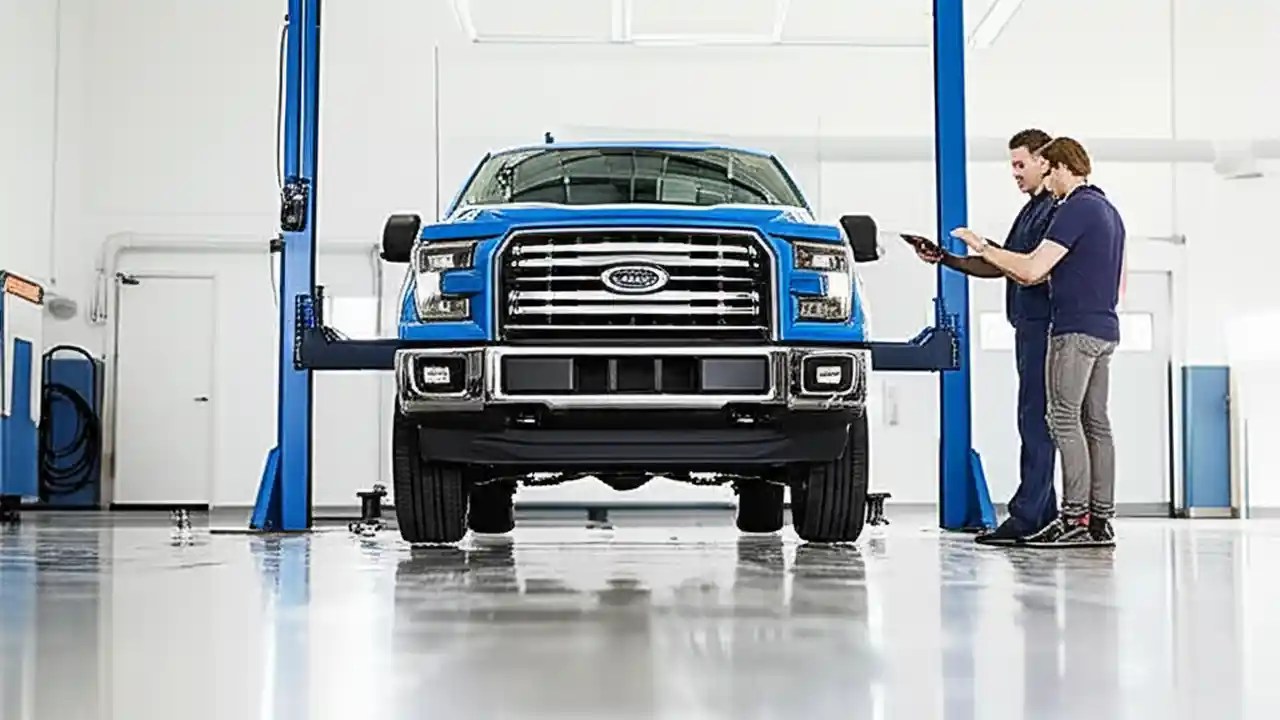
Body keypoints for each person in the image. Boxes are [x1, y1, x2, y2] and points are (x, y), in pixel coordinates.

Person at [950, 137, 1126, 547]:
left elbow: (1031, 270)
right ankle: (1100, 521)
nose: (1046, 179)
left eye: (1048, 169)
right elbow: (1119, 279)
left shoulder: (1074, 208)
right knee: (1095, 424)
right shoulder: (1109, 211)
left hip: (1073, 330)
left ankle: (1074, 520)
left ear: (1062, 167)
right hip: (1105, 329)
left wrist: (981, 246)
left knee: (1061, 420)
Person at [912, 128, 1059, 546]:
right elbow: (1002, 262)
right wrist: (949, 259)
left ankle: (1030, 516)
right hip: (1027, 327)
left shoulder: (1056, 211)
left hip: (1045, 326)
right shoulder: (1030, 211)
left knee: (1038, 422)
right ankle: (1042, 510)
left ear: (1044, 161)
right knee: (1032, 420)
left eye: (1020, 164)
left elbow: (1029, 266)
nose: (1014, 173)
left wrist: (985, 250)